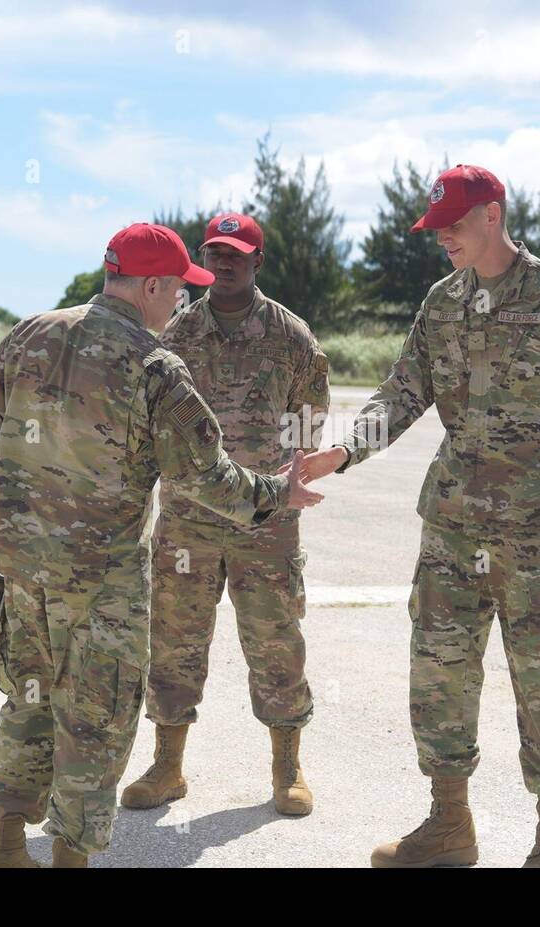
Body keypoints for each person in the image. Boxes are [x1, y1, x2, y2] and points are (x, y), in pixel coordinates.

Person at [0, 223, 324, 868]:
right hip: (104, 586)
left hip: (23, 572)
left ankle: (8, 846)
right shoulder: (155, 366)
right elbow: (205, 475)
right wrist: (274, 494)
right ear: (151, 285)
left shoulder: (28, 335)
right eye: (178, 287)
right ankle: (70, 855)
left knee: (29, 702)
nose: (182, 300)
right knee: (98, 719)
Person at [302, 165, 540, 867]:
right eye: (435, 226)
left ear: (493, 215)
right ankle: (450, 824)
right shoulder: (441, 303)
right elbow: (401, 392)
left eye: (454, 222)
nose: (442, 236)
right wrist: (343, 450)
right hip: (451, 522)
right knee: (440, 669)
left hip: (536, 534)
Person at [122, 213, 329, 817]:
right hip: (188, 514)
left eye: (237, 253)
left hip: (265, 517)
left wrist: (287, 475)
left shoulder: (291, 336)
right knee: (175, 640)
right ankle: (167, 765)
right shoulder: (177, 332)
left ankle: (287, 765)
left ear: (257, 261)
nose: (225, 262)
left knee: (276, 639)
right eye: (215, 253)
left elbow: (309, 419)